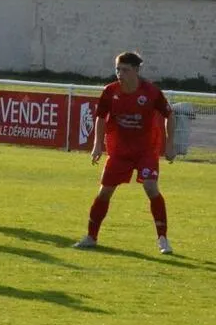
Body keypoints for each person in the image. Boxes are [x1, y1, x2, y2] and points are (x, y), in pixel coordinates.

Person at [74, 51, 176, 254]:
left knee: (150, 187)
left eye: (125, 70)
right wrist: (97, 145)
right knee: (104, 192)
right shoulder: (110, 91)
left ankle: (163, 239)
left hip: (145, 150)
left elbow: (169, 115)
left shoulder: (151, 92)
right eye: (117, 69)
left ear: (136, 70)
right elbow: (101, 117)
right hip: (120, 152)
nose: (120, 73)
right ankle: (91, 237)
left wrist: (170, 144)